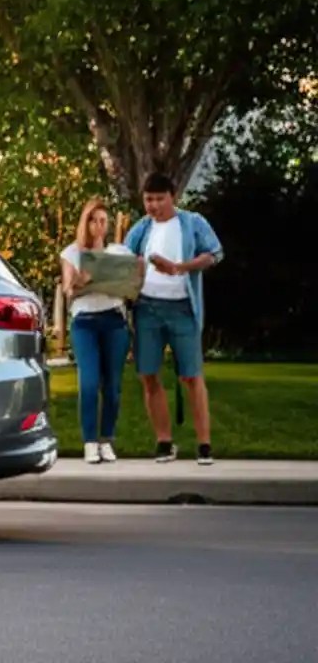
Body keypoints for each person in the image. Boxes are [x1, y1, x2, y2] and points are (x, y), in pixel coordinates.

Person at [123, 172, 225, 465]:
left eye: (159, 199)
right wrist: (135, 266)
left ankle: (204, 444)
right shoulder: (141, 228)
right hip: (147, 310)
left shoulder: (192, 223)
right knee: (148, 375)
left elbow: (214, 254)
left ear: (172, 197)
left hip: (182, 308)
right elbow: (123, 258)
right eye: (148, 200)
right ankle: (164, 441)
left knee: (192, 376)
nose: (153, 205)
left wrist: (179, 268)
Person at [61, 198, 134, 464]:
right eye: (94, 220)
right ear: (86, 223)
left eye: (103, 221)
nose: (99, 226)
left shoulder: (119, 251)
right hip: (85, 323)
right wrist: (82, 280)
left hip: (114, 321)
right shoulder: (72, 252)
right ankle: (90, 442)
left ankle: (107, 440)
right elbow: (69, 291)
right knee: (89, 383)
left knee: (112, 387)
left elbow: (130, 286)